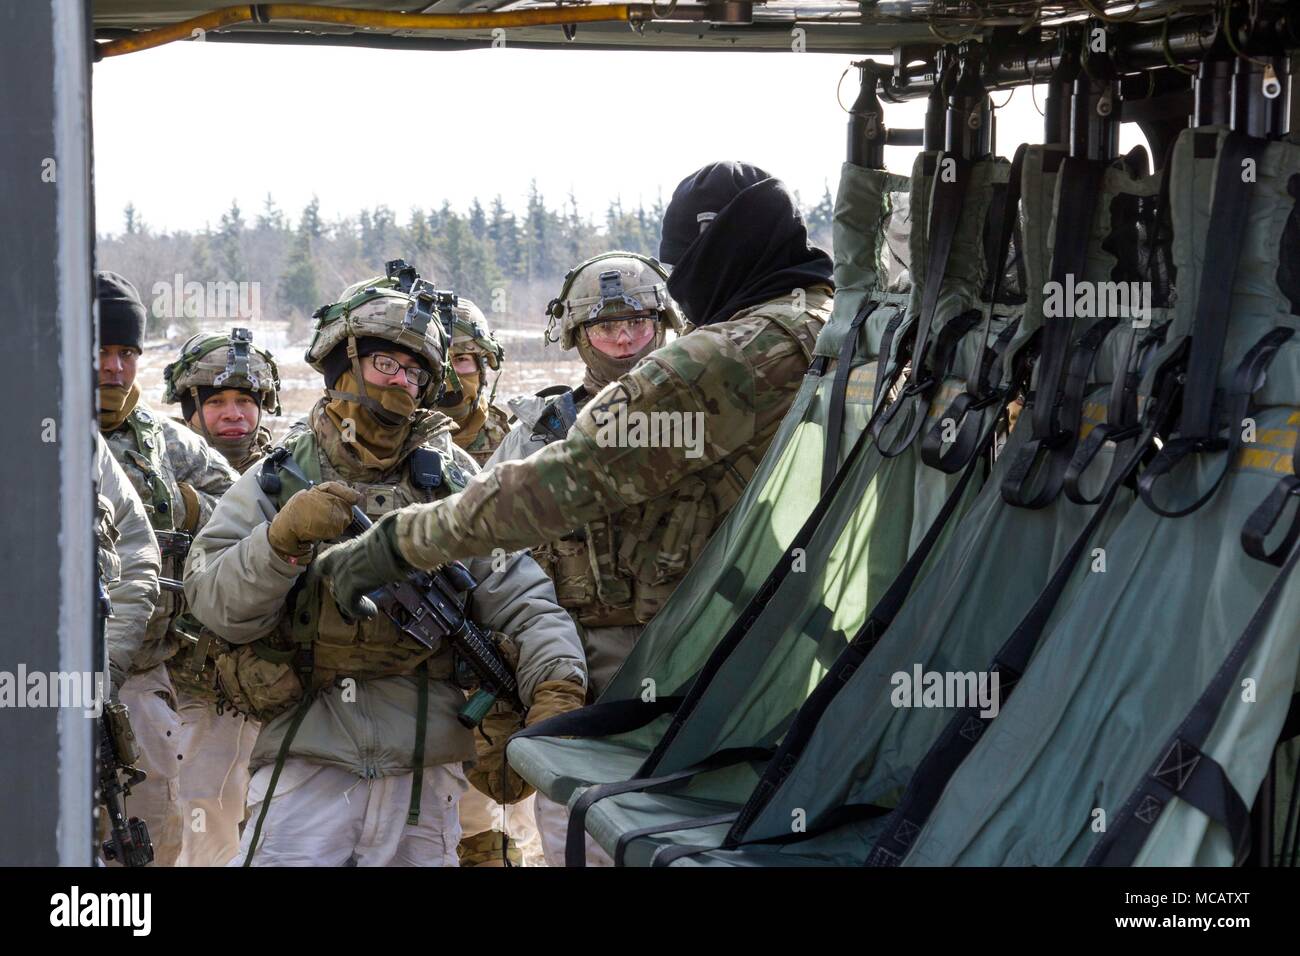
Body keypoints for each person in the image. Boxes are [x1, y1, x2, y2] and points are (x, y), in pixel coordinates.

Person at [312, 161, 835, 864]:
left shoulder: (728, 359)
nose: (624, 339)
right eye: (606, 325)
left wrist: (397, 544)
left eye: (643, 317)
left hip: (698, 675)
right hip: (657, 674)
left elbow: (564, 481)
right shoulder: (834, 329)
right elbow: (506, 559)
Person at [183, 268, 588, 866]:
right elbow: (216, 605)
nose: (401, 382)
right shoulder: (278, 478)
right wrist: (278, 542)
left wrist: (557, 683)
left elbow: (523, 596)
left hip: (425, 774)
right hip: (307, 762)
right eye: (386, 366)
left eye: (416, 372)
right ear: (343, 365)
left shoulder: (452, 484)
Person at [96, 270, 238, 865]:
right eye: (101, 349)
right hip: (38, 678)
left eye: (127, 352)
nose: (115, 367)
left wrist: (187, 505)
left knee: (153, 834)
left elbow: (242, 513)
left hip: (142, 680)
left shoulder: (161, 441)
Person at [161, 327, 282, 865]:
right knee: (202, 817)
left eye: (244, 401)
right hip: (193, 687)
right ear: (190, 407)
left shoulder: (288, 471)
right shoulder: (159, 471)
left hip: (275, 682)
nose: (233, 413)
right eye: (216, 402)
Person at [437, 300, 510, 466]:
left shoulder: (507, 447)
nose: (449, 376)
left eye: (461, 359)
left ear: (481, 367)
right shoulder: (393, 442)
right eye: (439, 360)